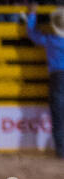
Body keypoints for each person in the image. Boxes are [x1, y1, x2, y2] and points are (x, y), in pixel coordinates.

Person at [26, 3, 64, 158]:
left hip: (57, 77)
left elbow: (32, 34)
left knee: (58, 114)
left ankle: (62, 151)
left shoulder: (50, 39)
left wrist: (32, 15)